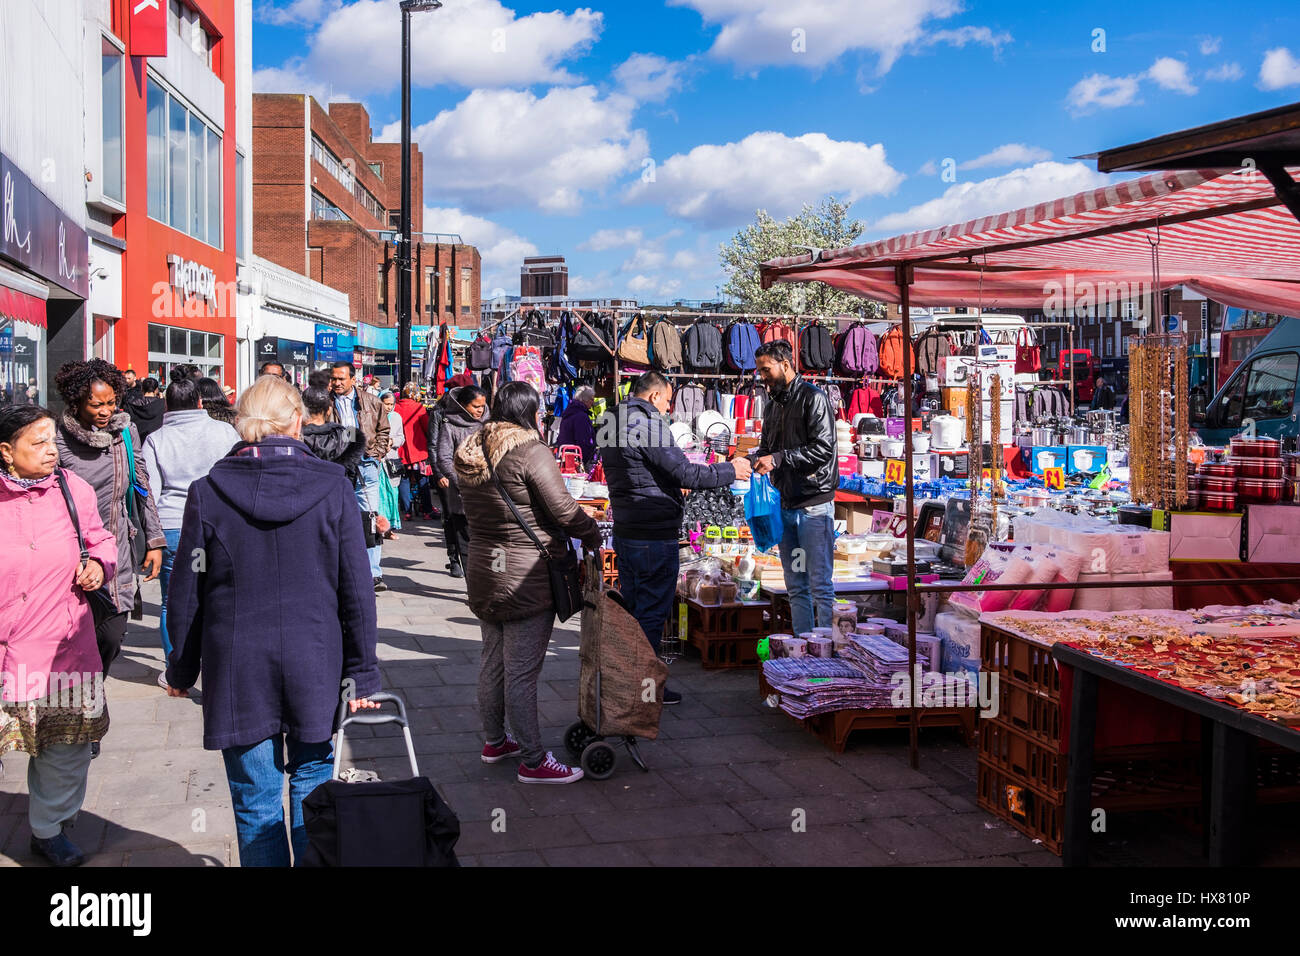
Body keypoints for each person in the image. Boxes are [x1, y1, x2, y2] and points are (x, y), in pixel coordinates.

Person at [163, 375, 382, 866]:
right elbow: (356, 587)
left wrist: (181, 667)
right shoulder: (333, 486)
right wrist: (363, 669)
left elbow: (188, 592)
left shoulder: (208, 491)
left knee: (255, 801)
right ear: (298, 423)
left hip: (239, 663)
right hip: (315, 660)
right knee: (312, 785)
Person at [454, 381, 602, 784]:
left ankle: (494, 741)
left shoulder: (471, 449)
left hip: (483, 569)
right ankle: (534, 760)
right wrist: (593, 532)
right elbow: (565, 511)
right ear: (530, 412)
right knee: (521, 673)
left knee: (492, 663)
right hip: (525, 575)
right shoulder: (529, 451)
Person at [1, 405, 117, 866]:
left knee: (65, 749)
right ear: (6, 452)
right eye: (38, 443)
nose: (52, 452)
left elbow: (102, 539)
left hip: (64, 645)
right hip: (7, 648)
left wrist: (98, 564)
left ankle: (49, 829)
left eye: (53, 441)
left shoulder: (74, 490)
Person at [599, 371, 750, 704]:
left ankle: (631, 684)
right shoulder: (647, 424)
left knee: (637, 609)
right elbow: (686, 472)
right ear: (654, 396)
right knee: (652, 612)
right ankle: (645, 692)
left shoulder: (610, 419)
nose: (669, 409)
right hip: (652, 532)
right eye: (668, 401)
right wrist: (731, 470)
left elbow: (638, 469)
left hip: (627, 528)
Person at [53, 359, 164, 679]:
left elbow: (142, 485)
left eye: (111, 402)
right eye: (96, 404)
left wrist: (154, 542)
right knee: (72, 632)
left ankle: (92, 681)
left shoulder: (125, 432)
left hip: (117, 546)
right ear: (76, 402)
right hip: (71, 551)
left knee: (112, 634)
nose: (105, 411)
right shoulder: (57, 436)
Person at [142, 375, 239, 682]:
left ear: (166, 404)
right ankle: (218, 665)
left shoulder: (156, 439)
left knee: (172, 601)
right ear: (200, 403)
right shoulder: (225, 431)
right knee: (217, 596)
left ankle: (175, 667)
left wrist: (151, 539)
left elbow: (151, 495)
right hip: (216, 524)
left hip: (173, 526)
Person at [751, 340, 837, 636]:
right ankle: (805, 648)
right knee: (796, 585)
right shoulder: (773, 405)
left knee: (820, 585)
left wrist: (778, 458)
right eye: (760, 371)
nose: (762, 376)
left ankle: (827, 654)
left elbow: (823, 449)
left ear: (785, 364)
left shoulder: (814, 398)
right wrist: (754, 460)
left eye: (766, 370)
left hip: (813, 505)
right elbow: (767, 448)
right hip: (785, 505)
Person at [326, 362, 390, 592]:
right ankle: (341, 571)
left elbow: (384, 429)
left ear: (353, 379)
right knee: (336, 516)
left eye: (342, 378)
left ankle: (373, 573)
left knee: (370, 518)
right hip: (337, 465)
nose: (337, 382)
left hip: (366, 464)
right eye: (334, 378)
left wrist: (376, 454)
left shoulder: (372, 402)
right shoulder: (325, 402)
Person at [435, 385, 487, 578]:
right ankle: (473, 586)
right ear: (463, 405)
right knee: (466, 543)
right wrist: (461, 480)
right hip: (462, 495)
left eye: (482, 406)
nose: (480, 410)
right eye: (475, 406)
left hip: (488, 496)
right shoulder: (450, 426)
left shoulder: (488, 425)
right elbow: (443, 458)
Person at [300, 384, 366, 484]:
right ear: (329, 411)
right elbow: (351, 474)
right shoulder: (346, 435)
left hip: (304, 493)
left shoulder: (294, 437)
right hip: (337, 492)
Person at [394, 381, 431, 520]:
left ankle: (407, 511)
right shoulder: (419, 408)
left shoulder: (395, 407)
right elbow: (427, 428)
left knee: (403, 481)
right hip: (418, 452)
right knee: (423, 480)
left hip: (401, 452)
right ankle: (427, 510)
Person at [377, 390, 403, 539]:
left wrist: (392, 441)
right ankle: (381, 528)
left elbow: (402, 437)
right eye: (386, 404)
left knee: (392, 495)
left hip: (391, 462)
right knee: (380, 497)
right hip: (378, 462)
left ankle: (390, 528)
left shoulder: (396, 418)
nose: (388, 407)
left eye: (391, 404)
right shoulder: (374, 416)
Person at [555, 385, 598, 469]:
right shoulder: (581, 416)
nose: (593, 402)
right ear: (585, 400)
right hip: (575, 460)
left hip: (567, 457)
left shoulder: (570, 412)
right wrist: (586, 461)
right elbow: (584, 442)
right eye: (591, 399)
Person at [124, 376, 165, 442]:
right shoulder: (162, 404)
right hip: (157, 440)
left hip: (136, 441)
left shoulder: (131, 404)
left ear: (142, 389)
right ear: (156, 390)